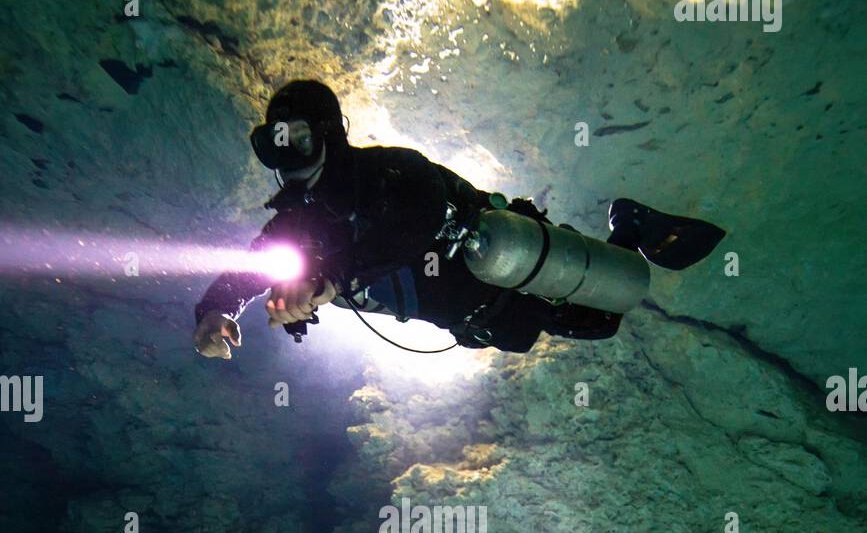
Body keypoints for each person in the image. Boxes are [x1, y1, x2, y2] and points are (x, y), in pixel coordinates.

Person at [193, 79, 724, 360]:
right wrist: (215, 311)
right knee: (594, 325)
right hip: (475, 318)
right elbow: (248, 271)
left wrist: (329, 279)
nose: (289, 157)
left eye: (299, 138)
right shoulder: (292, 226)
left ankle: (632, 225)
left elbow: (417, 221)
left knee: (600, 318)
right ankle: (626, 231)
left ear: (330, 131)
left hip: (500, 275)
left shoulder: (390, 170)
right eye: (275, 144)